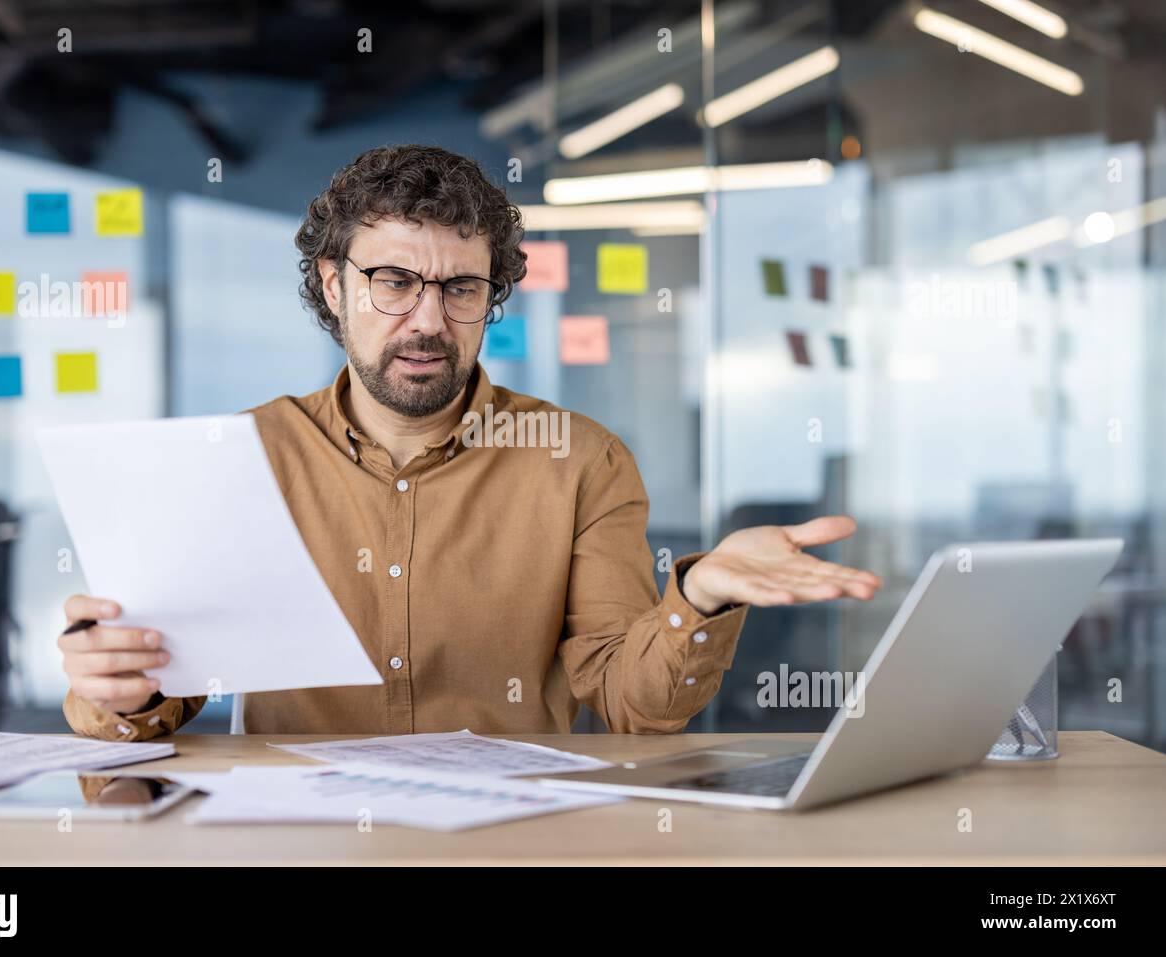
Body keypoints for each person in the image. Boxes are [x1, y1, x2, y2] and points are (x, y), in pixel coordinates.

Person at [60, 144, 881, 742]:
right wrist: (120, 686)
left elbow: (633, 702)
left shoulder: (581, 461)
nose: (427, 319)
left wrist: (700, 596)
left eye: (460, 288)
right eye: (393, 282)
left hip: (511, 850)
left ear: (491, 297)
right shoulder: (240, 458)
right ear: (334, 285)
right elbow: (157, 699)